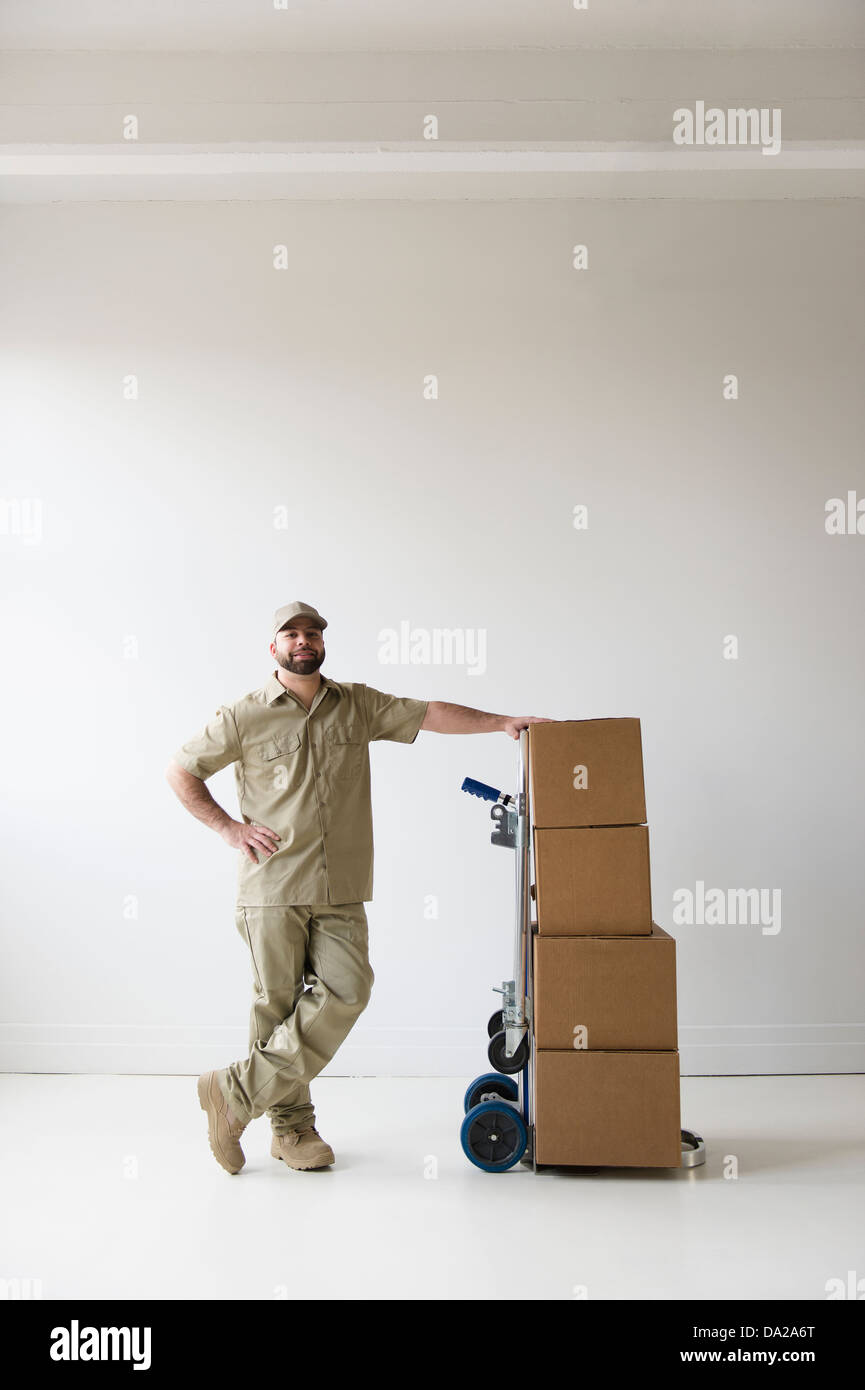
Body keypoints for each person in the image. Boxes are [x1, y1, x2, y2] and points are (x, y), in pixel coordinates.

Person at [166, 600, 552, 1175]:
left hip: (342, 884)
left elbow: (428, 714)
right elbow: (182, 770)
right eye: (291, 633)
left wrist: (498, 721)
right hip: (271, 886)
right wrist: (229, 829)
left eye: (313, 633)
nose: (303, 640)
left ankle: (233, 1094)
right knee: (275, 1007)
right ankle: (291, 1129)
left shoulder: (357, 705)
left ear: (323, 643)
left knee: (347, 990)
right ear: (273, 647)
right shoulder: (243, 715)